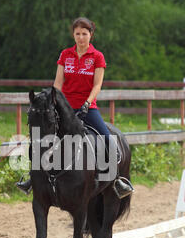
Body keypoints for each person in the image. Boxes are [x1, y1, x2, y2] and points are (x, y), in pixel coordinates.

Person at [17, 17, 134, 198]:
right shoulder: (65, 55)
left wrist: (87, 103)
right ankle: (32, 178)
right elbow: (57, 83)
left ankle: (117, 180)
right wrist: (54, 103)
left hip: (88, 108)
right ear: (73, 35)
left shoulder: (97, 57)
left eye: (84, 34)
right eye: (77, 34)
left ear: (91, 35)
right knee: (40, 137)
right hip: (64, 108)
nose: (81, 38)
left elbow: (97, 85)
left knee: (108, 139)